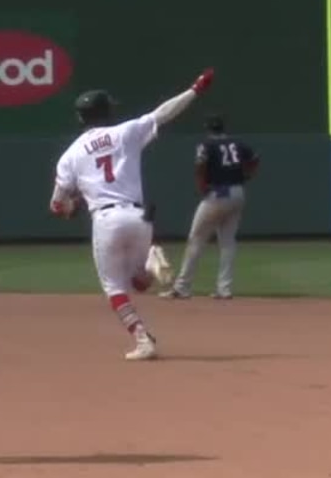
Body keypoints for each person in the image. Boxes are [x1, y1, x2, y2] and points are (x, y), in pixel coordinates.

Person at [48, 68, 215, 361]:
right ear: (106, 112)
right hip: (139, 218)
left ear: (81, 118)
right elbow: (163, 113)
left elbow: (57, 205)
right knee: (139, 283)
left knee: (114, 288)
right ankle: (150, 264)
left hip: (106, 220)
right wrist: (195, 89)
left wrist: (73, 206)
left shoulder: (70, 156)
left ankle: (142, 338)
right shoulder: (125, 132)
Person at [162, 115, 259, 300]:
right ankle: (224, 289)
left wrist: (201, 186)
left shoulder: (206, 144)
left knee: (196, 239)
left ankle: (182, 287)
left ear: (208, 129)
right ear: (223, 128)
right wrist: (248, 175)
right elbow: (255, 159)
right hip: (238, 192)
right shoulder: (237, 143)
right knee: (228, 242)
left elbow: (200, 165)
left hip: (218, 193)